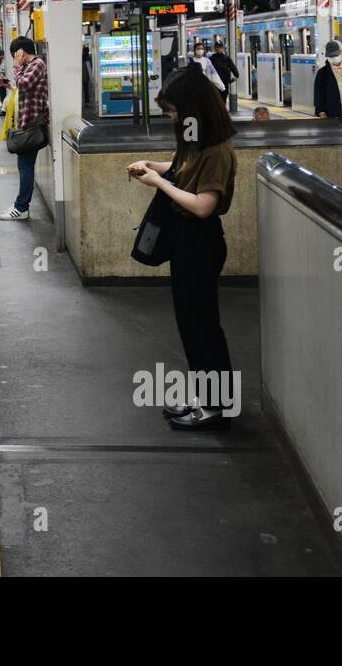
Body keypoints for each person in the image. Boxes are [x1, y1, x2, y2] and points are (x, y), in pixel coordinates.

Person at [127, 67, 237, 431]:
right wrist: (152, 166)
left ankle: (216, 406)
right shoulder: (198, 141)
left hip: (200, 243)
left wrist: (159, 181)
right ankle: (208, 398)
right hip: (185, 241)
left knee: (203, 327)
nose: (172, 116)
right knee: (192, 326)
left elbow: (204, 204)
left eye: (174, 110)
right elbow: (180, 169)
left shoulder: (218, 150)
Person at [0, 36, 48, 221]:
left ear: (21, 52)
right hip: (25, 123)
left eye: (15, 55)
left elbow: (24, 85)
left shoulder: (37, 64)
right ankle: (20, 204)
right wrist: (9, 85)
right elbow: (21, 90)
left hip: (32, 125)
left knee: (26, 166)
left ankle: (21, 207)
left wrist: (17, 68)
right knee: (23, 165)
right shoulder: (29, 67)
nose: (15, 59)